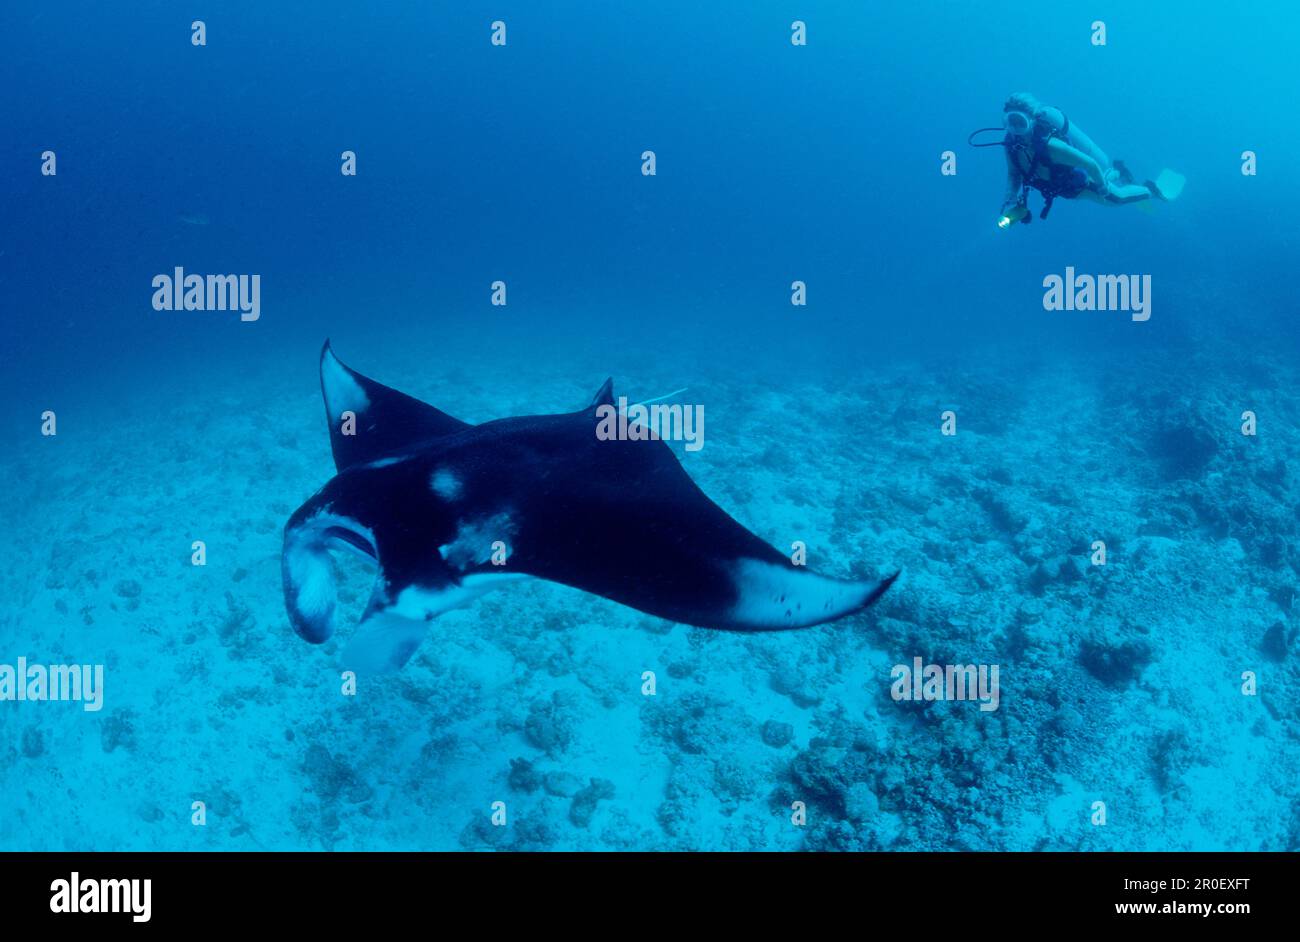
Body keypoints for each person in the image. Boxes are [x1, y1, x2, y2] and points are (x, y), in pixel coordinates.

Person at [991, 92, 1184, 228]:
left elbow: (1089, 164)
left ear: (1031, 121)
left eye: (1020, 123)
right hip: (1062, 189)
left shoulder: (1051, 147)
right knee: (1108, 190)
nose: (1015, 129)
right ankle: (1118, 171)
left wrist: (1102, 186)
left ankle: (1153, 190)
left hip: (1077, 184)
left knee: (1116, 199)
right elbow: (1014, 173)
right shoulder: (1011, 147)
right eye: (1010, 122)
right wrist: (1010, 198)